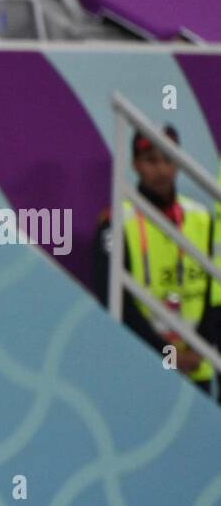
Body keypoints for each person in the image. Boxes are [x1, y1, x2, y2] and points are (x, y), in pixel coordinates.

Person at [92, 125, 220, 399]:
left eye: (169, 160)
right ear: (135, 165)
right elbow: (115, 300)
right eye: (151, 160)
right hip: (143, 364)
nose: (161, 170)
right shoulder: (116, 222)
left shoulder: (202, 218)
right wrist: (167, 354)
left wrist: (200, 347)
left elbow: (214, 292)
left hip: (196, 364)